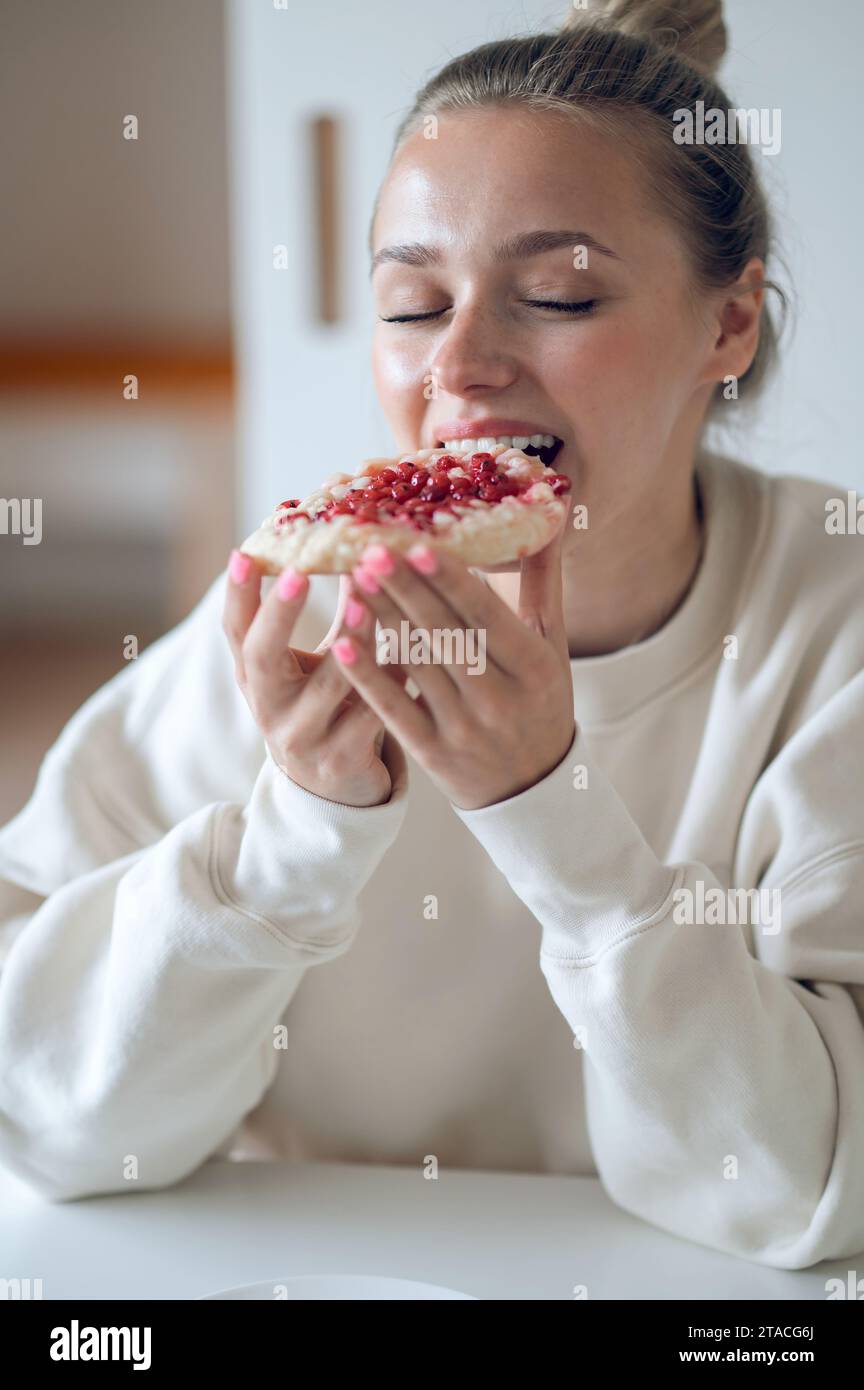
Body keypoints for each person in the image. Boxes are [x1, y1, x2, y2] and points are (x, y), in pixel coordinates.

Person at [1, 0, 862, 1272]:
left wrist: (546, 808)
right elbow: (54, 1126)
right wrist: (297, 828)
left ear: (727, 325)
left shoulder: (829, 625)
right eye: (411, 306)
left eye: (559, 294)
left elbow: (803, 1190)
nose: (458, 366)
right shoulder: (279, 627)